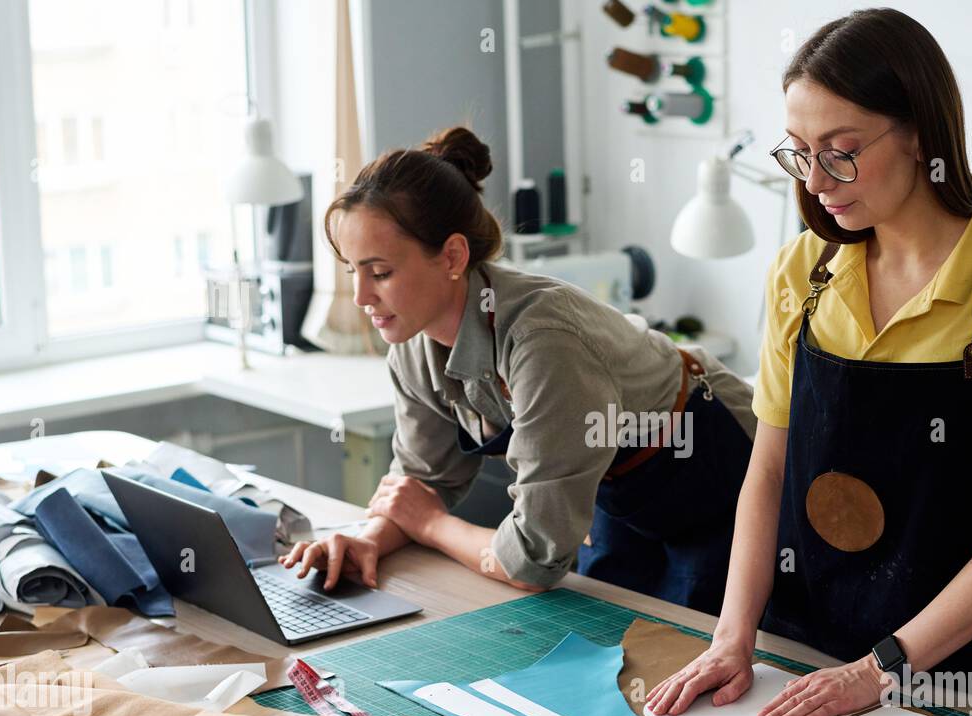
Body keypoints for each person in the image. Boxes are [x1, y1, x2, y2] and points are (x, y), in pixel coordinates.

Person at [648, 8, 972, 716]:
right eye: (800, 152)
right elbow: (767, 473)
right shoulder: (804, 270)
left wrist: (879, 670)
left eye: (842, 150)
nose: (818, 180)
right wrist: (732, 637)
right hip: (808, 659)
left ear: (921, 132)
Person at [281, 127, 756, 615]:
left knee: (720, 645)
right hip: (617, 481)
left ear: (452, 257)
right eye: (350, 271)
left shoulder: (543, 343)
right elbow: (422, 482)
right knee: (617, 631)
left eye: (379, 273)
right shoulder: (412, 343)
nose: (361, 297)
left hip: (709, 462)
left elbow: (532, 561)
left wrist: (430, 526)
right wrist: (370, 541)